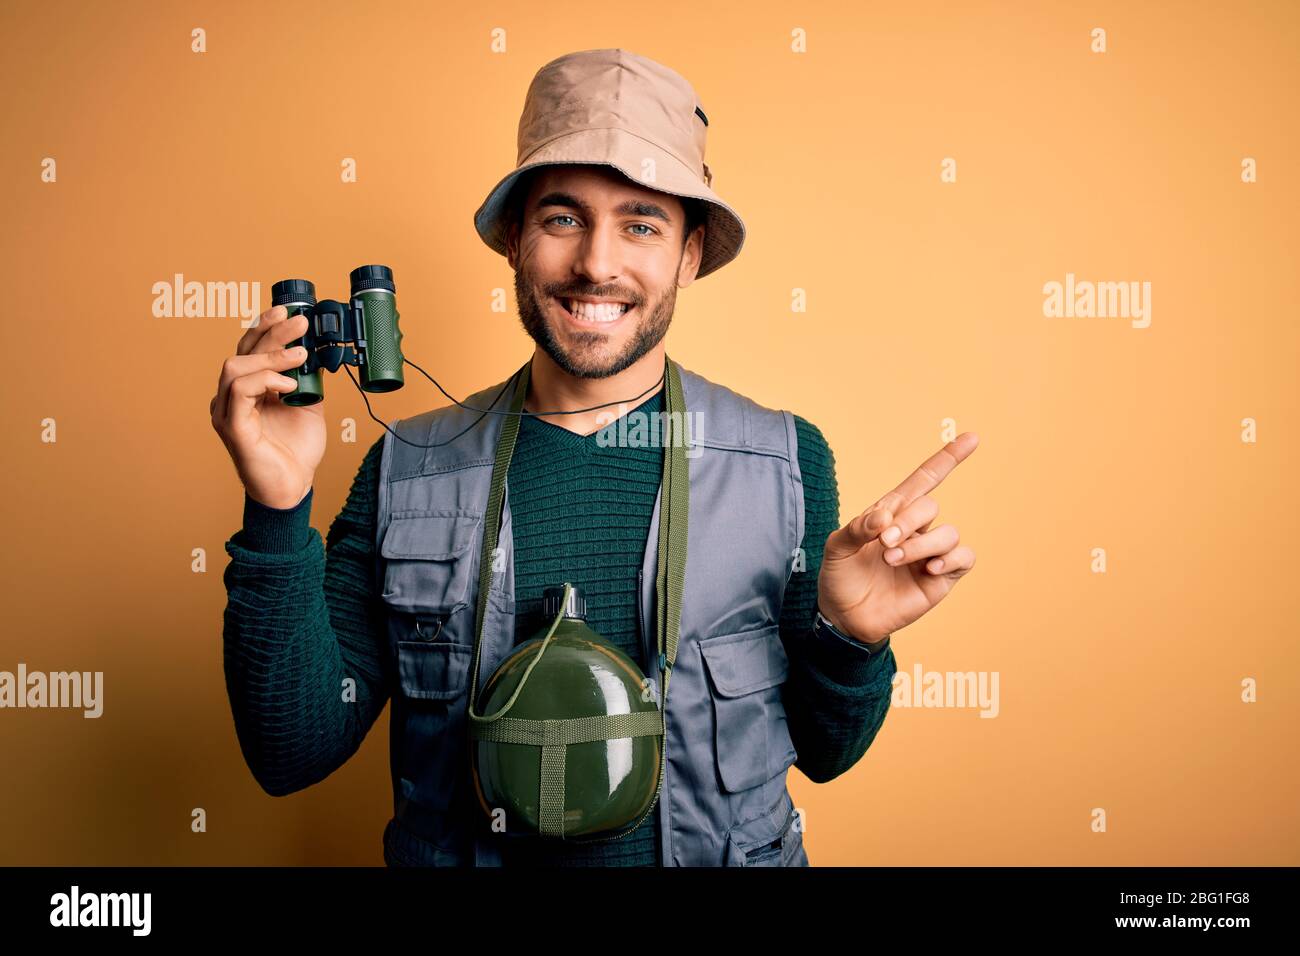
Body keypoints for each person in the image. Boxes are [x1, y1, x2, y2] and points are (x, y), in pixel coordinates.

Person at [210, 48, 977, 867]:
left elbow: (828, 754)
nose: (597, 264)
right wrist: (279, 510)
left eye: (641, 223)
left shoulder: (785, 461)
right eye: (563, 218)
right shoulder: (407, 466)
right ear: (513, 239)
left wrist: (847, 639)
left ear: (689, 254)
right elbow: (290, 754)